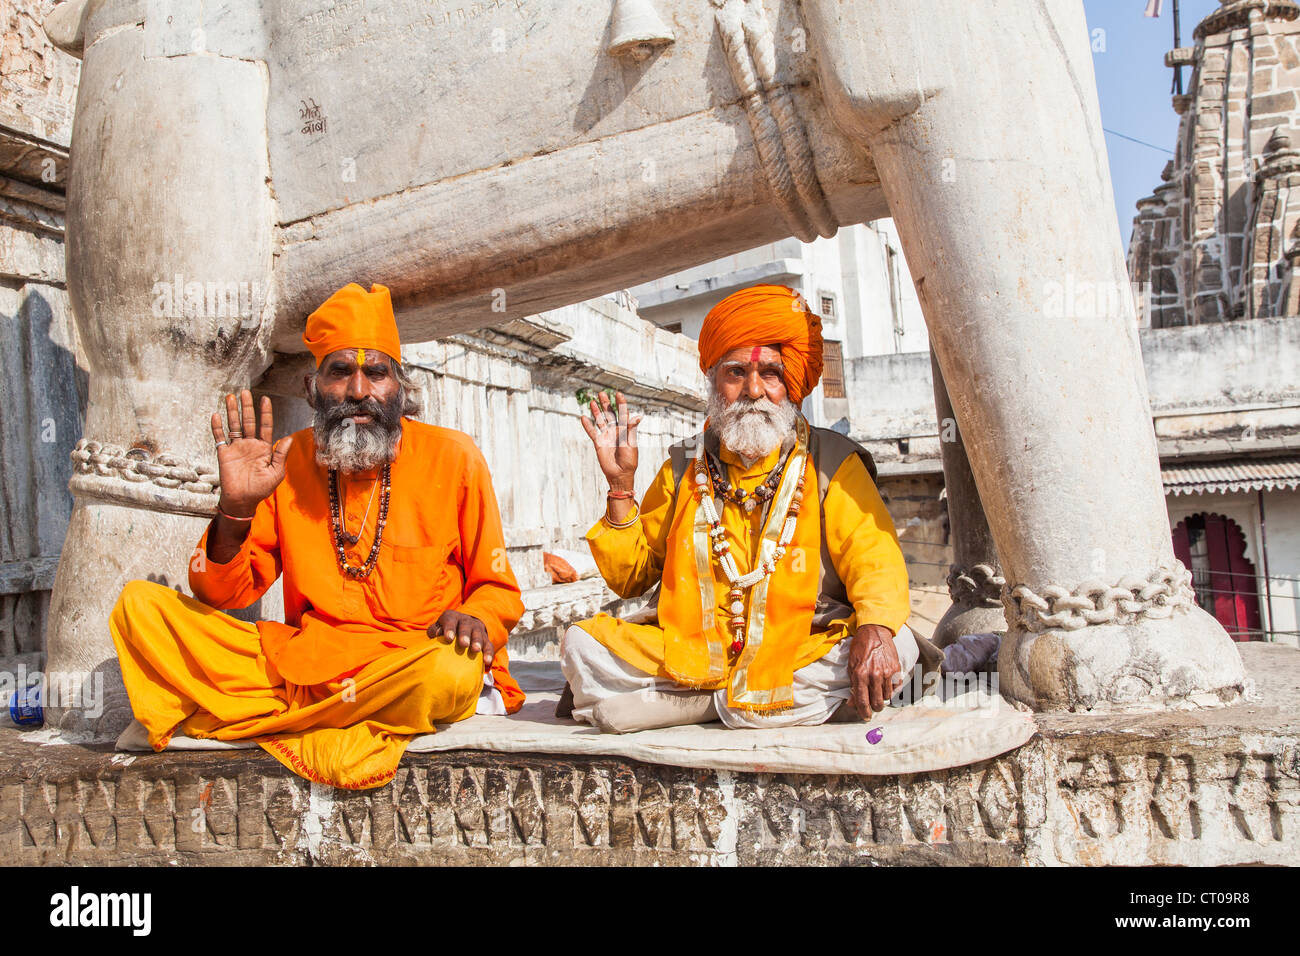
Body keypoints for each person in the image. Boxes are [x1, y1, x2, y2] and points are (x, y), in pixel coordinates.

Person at [109, 282, 524, 789]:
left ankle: (262, 717)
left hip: (410, 661)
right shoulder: (287, 460)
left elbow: (498, 588)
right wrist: (234, 510)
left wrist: (475, 616)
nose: (358, 391)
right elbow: (222, 592)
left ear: (401, 389)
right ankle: (325, 716)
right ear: (312, 388)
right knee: (139, 607)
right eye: (340, 372)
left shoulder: (455, 456)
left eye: (376, 373)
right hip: (306, 665)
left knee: (454, 671)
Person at [560, 284, 939, 733]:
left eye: (770, 374)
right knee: (581, 645)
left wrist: (875, 628)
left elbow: (875, 560)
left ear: (790, 385)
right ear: (715, 383)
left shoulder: (833, 462)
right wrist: (621, 487)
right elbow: (633, 579)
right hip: (694, 650)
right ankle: (745, 704)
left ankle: (695, 706)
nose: (753, 390)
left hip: (799, 646)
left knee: (899, 647)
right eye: (736, 372)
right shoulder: (684, 467)